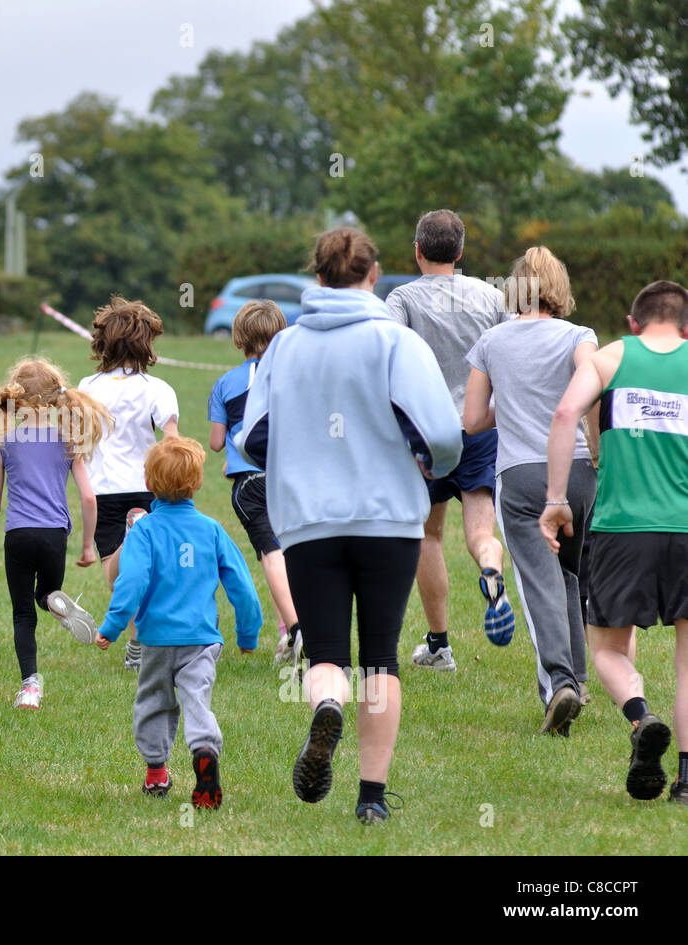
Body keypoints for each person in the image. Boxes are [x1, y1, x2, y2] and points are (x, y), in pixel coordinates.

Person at [241, 227, 463, 823]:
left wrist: (299, 459)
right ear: (374, 275)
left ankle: (326, 707)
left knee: (326, 659)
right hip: (389, 520)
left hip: (310, 522)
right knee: (383, 661)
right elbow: (442, 435)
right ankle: (371, 800)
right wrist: (428, 465)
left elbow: (252, 438)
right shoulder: (396, 341)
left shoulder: (283, 349)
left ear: (316, 277)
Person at [540, 280, 688, 802]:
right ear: (686, 327)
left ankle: (640, 715)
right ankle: (686, 782)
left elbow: (564, 415)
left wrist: (557, 498)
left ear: (633, 322)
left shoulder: (613, 356)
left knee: (605, 648)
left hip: (623, 527)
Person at [463, 247, 599, 734]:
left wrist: (514, 402)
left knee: (540, 580)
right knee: (569, 577)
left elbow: (473, 419)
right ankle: (579, 681)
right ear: (559, 288)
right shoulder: (579, 337)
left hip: (520, 476)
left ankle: (559, 683)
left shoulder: (491, 342)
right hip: (580, 471)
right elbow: (594, 383)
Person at [94, 437, 262, 809]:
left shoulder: (145, 531)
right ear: (198, 482)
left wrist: (112, 626)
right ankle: (204, 748)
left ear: (149, 484)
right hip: (202, 639)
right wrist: (248, 634)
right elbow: (244, 588)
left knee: (154, 700)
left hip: (156, 639)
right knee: (196, 698)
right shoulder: (211, 530)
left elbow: (131, 582)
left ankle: (156, 773)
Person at [386, 210, 513, 671]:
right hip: (481, 426)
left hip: (426, 431)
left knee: (428, 534)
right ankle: (491, 569)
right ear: (460, 253)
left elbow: (388, 354)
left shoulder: (401, 298)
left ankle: (439, 645)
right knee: (481, 530)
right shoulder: (490, 295)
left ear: (417, 251)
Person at [0, 357, 109, 709]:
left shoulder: (3, 442)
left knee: (24, 613)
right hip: (55, 535)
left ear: (16, 397)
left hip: (18, 535)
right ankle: (55, 600)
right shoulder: (68, 441)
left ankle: (30, 688)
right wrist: (86, 547)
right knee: (47, 592)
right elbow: (88, 497)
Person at [78, 296, 180, 672]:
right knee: (150, 571)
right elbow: (171, 439)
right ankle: (139, 643)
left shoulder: (87, 386)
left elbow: (78, 440)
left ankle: (137, 645)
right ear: (145, 344)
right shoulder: (158, 388)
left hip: (102, 488)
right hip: (148, 489)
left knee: (115, 573)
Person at [208, 300, 300, 665]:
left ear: (239, 338)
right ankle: (297, 629)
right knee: (295, 552)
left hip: (248, 484)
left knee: (271, 554)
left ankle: (295, 629)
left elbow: (216, 442)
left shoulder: (225, 384)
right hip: (291, 478)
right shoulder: (292, 375)